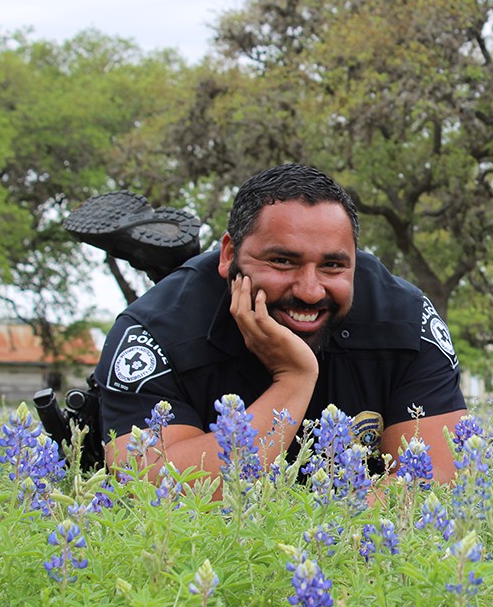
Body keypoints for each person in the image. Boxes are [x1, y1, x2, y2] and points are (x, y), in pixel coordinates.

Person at [72, 164, 467, 483]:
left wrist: (314, 534)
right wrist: (293, 380)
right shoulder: (153, 331)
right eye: (282, 261)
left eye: (332, 265)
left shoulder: (405, 319)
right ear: (229, 255)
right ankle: (173, 266)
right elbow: (158, 492)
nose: (310, 291)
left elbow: (433, 483)